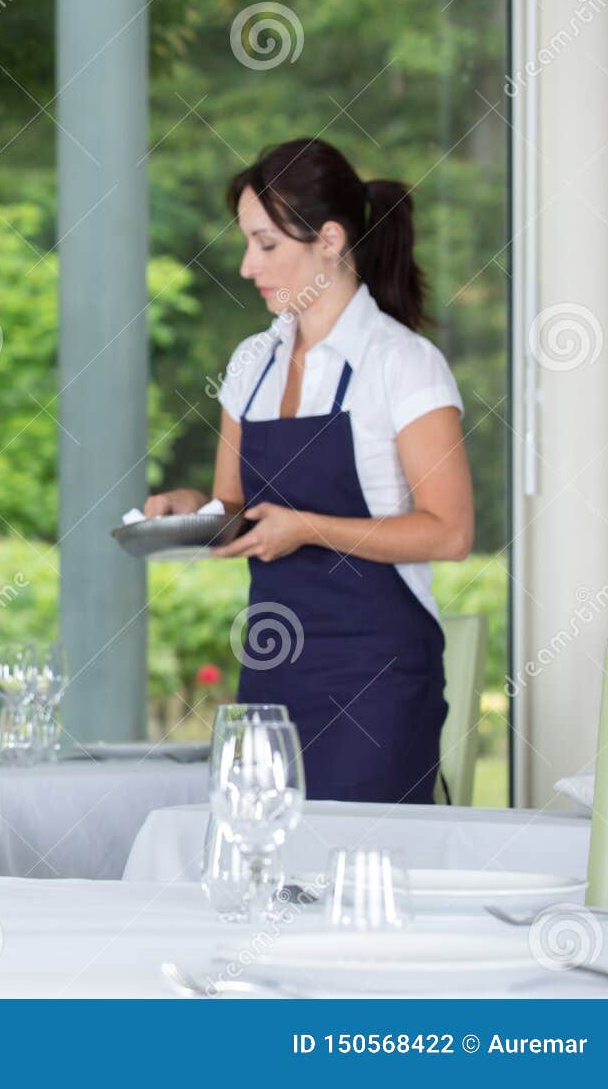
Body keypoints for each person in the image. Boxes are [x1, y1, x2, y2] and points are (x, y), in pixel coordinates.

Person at [145, 137, 474, 803]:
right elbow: (233, 504)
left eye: (266, 244)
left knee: (358, 858)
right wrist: (190, 510)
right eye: (247, 242)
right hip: (273, 672)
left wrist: (308, 529)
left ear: (329, 239)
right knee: (263, 853)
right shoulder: (251, 363)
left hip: (379, 680)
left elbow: (450, 531)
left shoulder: (402, 363)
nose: (247, 266)